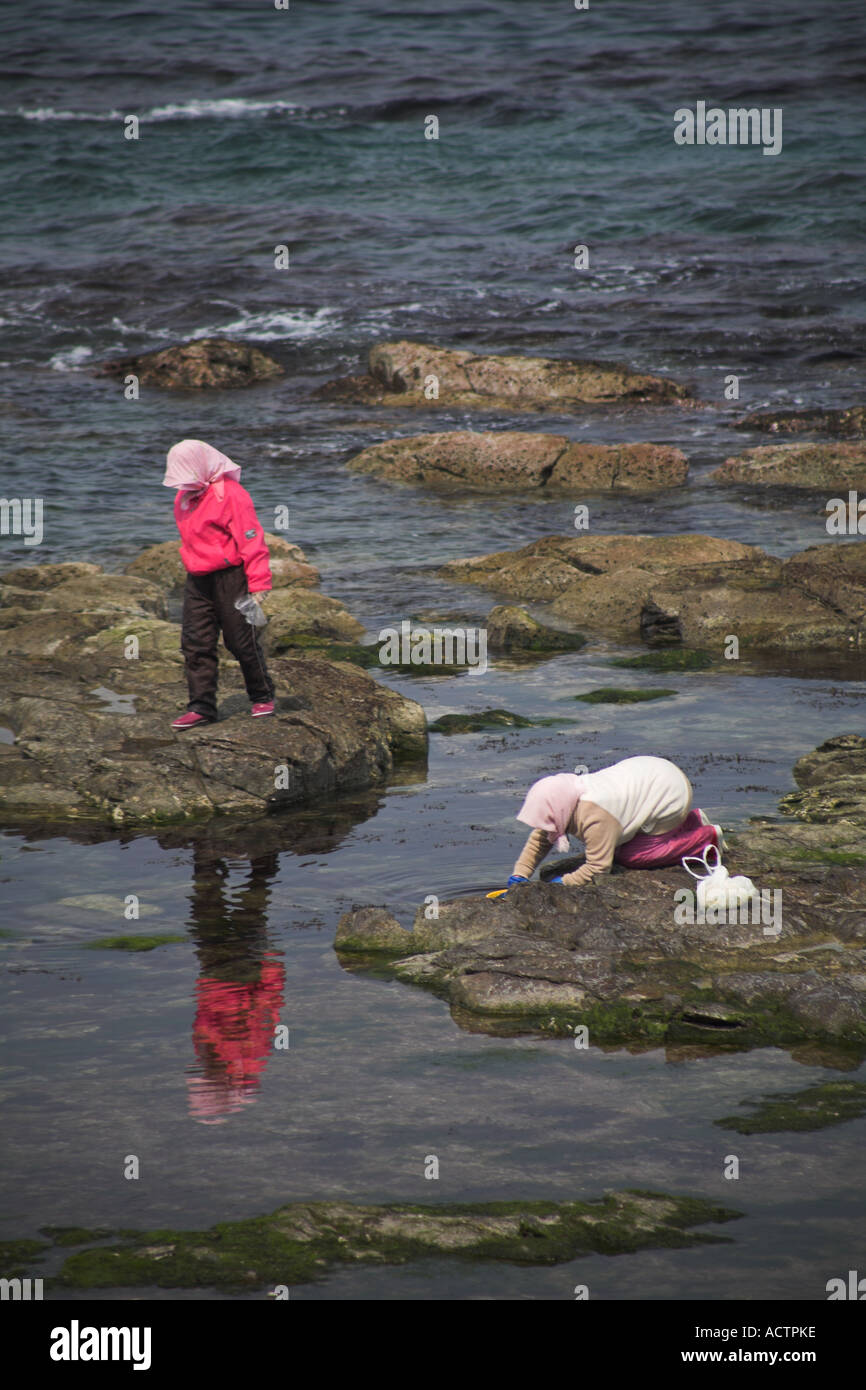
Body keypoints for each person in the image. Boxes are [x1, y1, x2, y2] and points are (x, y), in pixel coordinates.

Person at [163, 438, 275, 729]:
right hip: (198, 579)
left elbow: (252, 539)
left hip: (232, 577)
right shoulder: (185, 497)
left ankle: (262, 695)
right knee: (195, 642)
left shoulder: (232, 495)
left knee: (240, 640)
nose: (183, 483)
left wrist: (259, 582)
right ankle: (202, 707)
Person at [508, 755, 723, 889]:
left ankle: (706, 839)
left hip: (670, 793)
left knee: (631, 856)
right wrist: (520, 873)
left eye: (547, 820)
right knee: (616, 845)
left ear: (559, 810)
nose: (545, 827)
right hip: (653, 772)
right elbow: (541, 838)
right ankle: (691, 821)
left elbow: (598, 868)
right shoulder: (567, 795)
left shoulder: (594, 815)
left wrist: (563, 883)